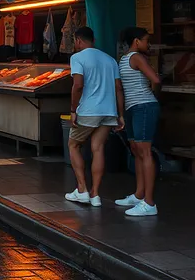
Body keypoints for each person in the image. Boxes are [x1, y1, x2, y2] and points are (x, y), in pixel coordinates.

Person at [65, 27, 124, 208]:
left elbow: (78, 85)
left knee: (73, 145)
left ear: (78, 40)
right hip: (109, 111)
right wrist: (121, 115)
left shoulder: (77, 58)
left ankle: (82, 189)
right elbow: (118, 88)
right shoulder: (110, 60)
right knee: (97, 148)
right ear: (94, 40)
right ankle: (95, 194)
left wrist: (73, 109)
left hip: (89, 110)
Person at [116, 27, 162, 216]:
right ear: (136, 41)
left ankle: (149, 203)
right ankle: (139, 194)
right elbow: (156, 81)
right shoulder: (132, 58)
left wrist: (151, 96)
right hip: (135, 107)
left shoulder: (133, 58)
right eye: (146, 40)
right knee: (136, 150)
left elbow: (155, 80)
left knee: (144, 152)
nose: (148, 44)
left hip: (143, 106)